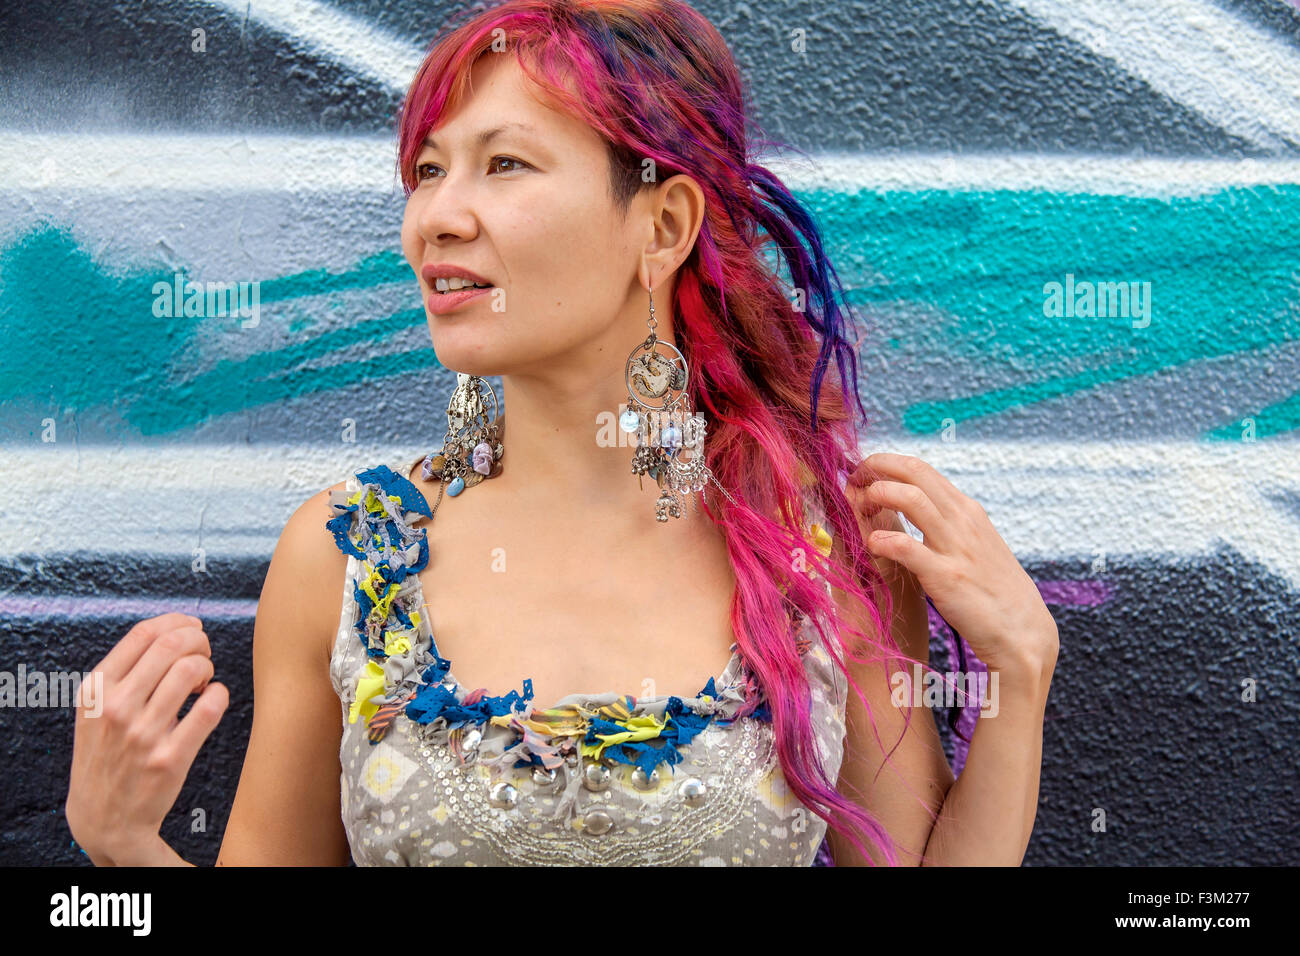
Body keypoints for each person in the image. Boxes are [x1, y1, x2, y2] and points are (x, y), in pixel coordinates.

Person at [64, 0, 1059, 867]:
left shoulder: (821, 547)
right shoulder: (348, 554)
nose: (437, 217)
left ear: (661, 227)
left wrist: (1019, 669)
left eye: (503, 164)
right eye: (425, 170)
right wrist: (124, 845)